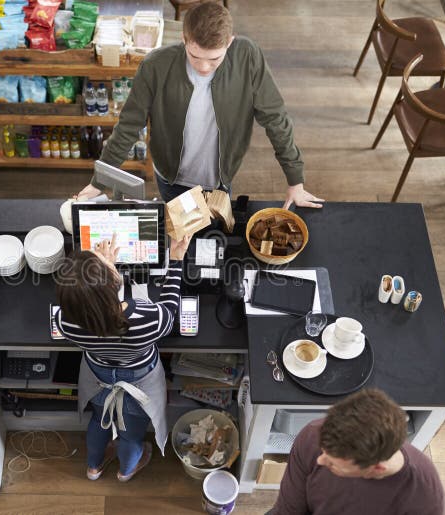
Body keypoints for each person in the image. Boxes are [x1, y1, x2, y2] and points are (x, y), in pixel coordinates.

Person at [77, 2, 323, 209]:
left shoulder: (248, 56)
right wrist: (98, 182)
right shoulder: (155, 66)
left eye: (214, 59)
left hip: (220, 179)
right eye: (195, 56)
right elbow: (128, 127)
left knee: (215, 234)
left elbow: (275, 119)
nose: (204, 67)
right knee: (179, 237)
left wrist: (295, 181)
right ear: (184, 40)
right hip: (171, 177)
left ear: (229, 43)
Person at [54, 233, 192, 481]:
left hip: (97, 376)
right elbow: (170, 308)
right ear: (114, 286)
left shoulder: (65, 321)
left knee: (100, 420)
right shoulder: (150, 320)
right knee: (130, 432)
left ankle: (94, 468)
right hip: (139, 380)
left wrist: (104, 273)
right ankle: (125, 472)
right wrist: (176, 261)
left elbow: (96, 309)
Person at [269, 388, 445, 515]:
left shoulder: (425, 498)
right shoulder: (313, 435)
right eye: (324, 452)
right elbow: (288, 510)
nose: (321, 461)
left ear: (376, 469)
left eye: (333, 463)